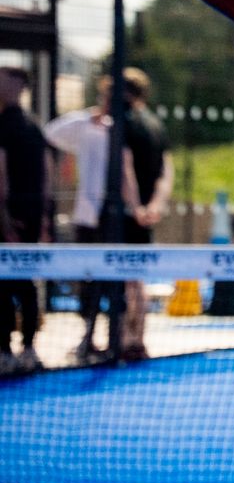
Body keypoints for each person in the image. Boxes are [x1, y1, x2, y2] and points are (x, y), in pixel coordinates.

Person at [44, 76, 142, 364]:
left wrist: (135, 207)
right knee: (88, 280)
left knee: (116, 280)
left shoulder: (125, 130)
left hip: (115, 219)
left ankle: (119, 338)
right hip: (87, 216)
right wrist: (89, 117)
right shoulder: (86, 126)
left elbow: (133, 171)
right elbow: (52, 132)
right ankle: (88, 338)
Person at [120, 67, 174, 362]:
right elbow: (166, 172)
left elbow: (125, 168)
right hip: (144, 213)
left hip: (127, 216)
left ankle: (129, 340)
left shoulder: (124, 123)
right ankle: (136, 339)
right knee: (136, 278)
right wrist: (156, 204)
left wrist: (137, 208)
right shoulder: (156, 124)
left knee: (128, 279)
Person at [0, 66, 50, 376]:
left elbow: (1, 177)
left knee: (9, 286)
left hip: (15, 221)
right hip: (25, 219)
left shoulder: (27, 128)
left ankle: (12, 351)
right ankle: (19, 350)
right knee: (21, 284)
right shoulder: (35, 127)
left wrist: (5, 221)